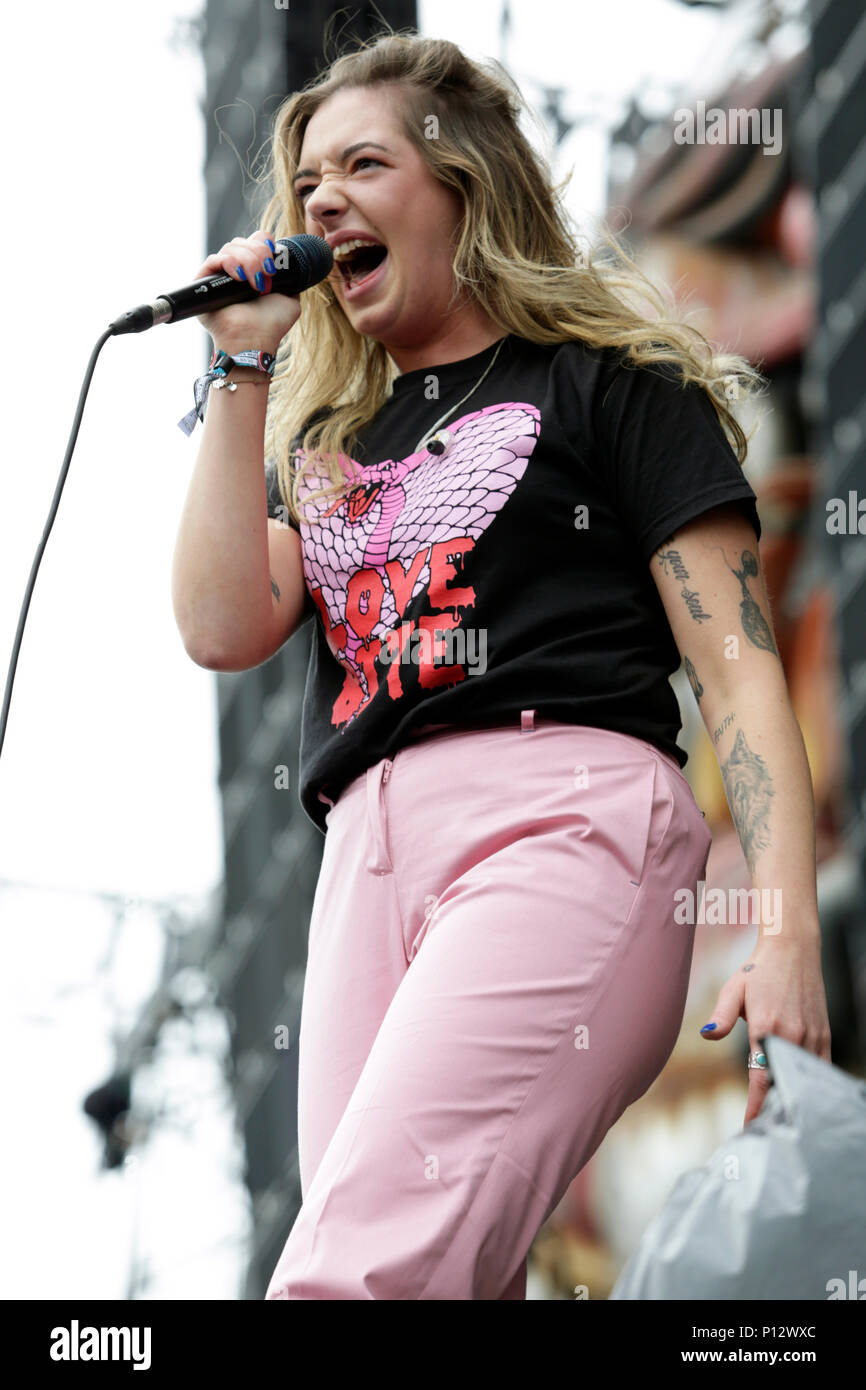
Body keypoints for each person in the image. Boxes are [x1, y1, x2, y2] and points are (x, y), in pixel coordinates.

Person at [171, 31, 831, 1300]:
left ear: (459, 185)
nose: (320, 203)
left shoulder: (608, 386)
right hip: (363, 857)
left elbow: (741, 670)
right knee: (418, 1270)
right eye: (306, 182)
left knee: (354, 1273)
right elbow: (217, 624)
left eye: (362, 164)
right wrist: (242, 360)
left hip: (559, 823)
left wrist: (784, 924)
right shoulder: (329, 441)